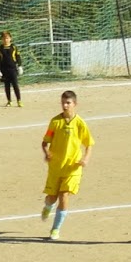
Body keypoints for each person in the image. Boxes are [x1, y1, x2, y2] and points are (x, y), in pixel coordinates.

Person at [39, 90, 94, 241]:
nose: (64, 106)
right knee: (52, 198)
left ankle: (55, 229)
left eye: (68, 103)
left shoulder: (80, 123)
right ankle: (47, 207)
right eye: (63, 102)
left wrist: (85, 159)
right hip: (56, 167)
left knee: (64, 196)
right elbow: (45, 142)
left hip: (73, 168)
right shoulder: (55, 122)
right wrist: (47, 152)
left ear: (75, 104)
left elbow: (89, 144)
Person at [0, 30, 23, 107]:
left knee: (15, 85)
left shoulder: (14, 47)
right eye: (3, 38)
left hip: (13, 69)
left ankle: (19, 100)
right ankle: (9, 101)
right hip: (4, 70)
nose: (5, 40)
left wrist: (20, 66)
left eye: (7, 38)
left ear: (10, 38)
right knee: (7, 86)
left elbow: (18, 57)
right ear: (1, 39)